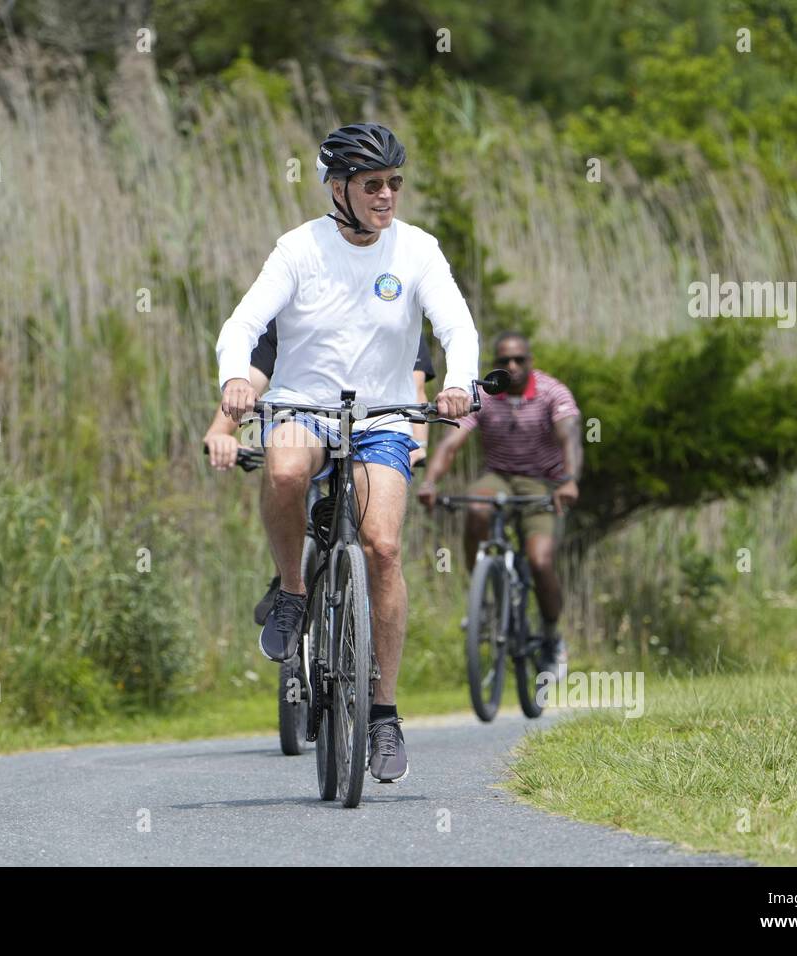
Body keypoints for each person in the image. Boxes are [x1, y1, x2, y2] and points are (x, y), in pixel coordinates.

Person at [216, 123, 480, 782]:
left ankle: (384, 714)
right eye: (372, 185)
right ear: (339, 189)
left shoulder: (416, 250)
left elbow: (456, 325)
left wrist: (455, 383)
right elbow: (244, 325)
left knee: (383, 546)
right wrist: (235, 377)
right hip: (303, 404)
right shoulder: (297, 249)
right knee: (281, 468)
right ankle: (292, 593)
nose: (387, 195)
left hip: (384, 415)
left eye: (394, 182)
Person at [202, 319, 438, 622]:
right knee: (286, 472)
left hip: (372, 430)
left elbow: (415, 386)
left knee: (378, 537)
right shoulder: (298, 309)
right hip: (307, 425)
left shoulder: (395, 311)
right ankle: (286, 579)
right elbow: (252, 379)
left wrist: (418, 442)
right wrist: (221, 431)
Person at [417, 332, 581, 680]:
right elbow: (451, 443)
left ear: (530, 361)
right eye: (504, 361)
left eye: (519, 360)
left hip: (542, 484)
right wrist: (430, 482)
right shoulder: (486, 395)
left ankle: (552, 636)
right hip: (499, 477)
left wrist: (568, 480)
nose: (511, 366)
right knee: (477, 508)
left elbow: (570, 438)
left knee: (539, 560)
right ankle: (484, 597)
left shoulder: (553, 392)